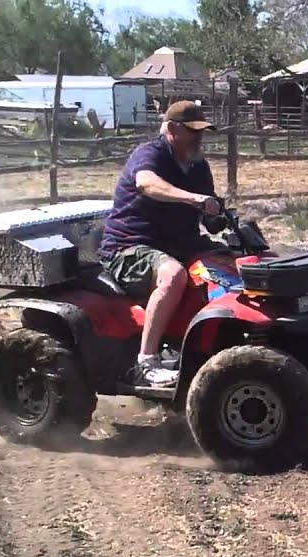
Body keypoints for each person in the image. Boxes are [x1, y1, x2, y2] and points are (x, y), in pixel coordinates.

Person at [98, 100, 222, 387]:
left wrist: (216, 217)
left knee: (236, 263)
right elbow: (147, 184)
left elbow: (207, 210)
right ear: (172, 129)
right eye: (193, 131)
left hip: (180, 244)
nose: (199, 136)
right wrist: (192, 198)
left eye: (202, 130)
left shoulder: (197, 166)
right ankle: (146, 362)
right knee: (173, 274)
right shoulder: (150, 154)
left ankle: (198, 345)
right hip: (129, 247)